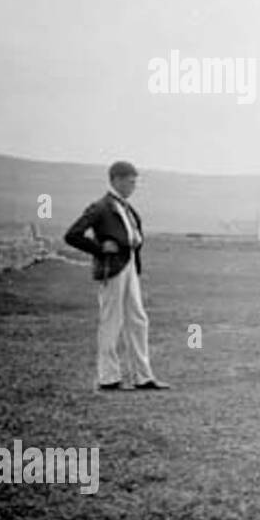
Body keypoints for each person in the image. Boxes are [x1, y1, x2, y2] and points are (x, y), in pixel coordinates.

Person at [63, 160, 170, 390]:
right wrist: (100, 248)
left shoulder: (125, 207)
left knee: (138, 319)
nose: (133, 186)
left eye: (134, 182)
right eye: (130, 182)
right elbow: (72, 234)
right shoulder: (101, 207)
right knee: (111, 320)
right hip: (112, 266)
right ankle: (108, 377)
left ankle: (143, 376)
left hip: (129, 264)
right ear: (116, 180)